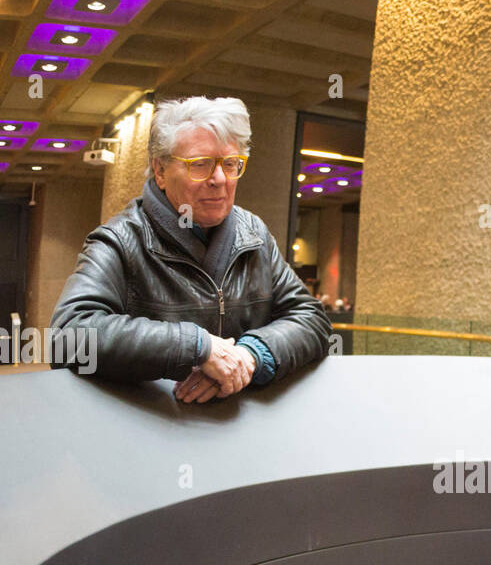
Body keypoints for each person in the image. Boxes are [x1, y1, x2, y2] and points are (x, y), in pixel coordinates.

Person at [51, 96, 332, 403]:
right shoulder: (121, 240)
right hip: (153, 423)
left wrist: (249, 356)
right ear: (160, 171)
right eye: (200, 164)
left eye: (230, 164)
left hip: (240, 424)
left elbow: (312, 318)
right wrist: (197, 348)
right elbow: (68, 337)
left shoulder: (254, 234)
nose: (220, 179)